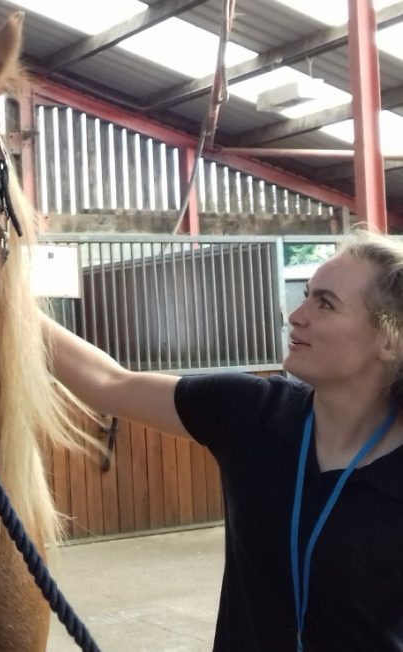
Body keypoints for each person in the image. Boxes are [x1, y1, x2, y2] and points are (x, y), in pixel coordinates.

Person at [43, 228, 403, 652]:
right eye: (305, 295)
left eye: (324, 303)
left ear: (388, 338)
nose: (296, 314)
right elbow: (108, 382)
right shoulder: (250, 413)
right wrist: (3, 293)